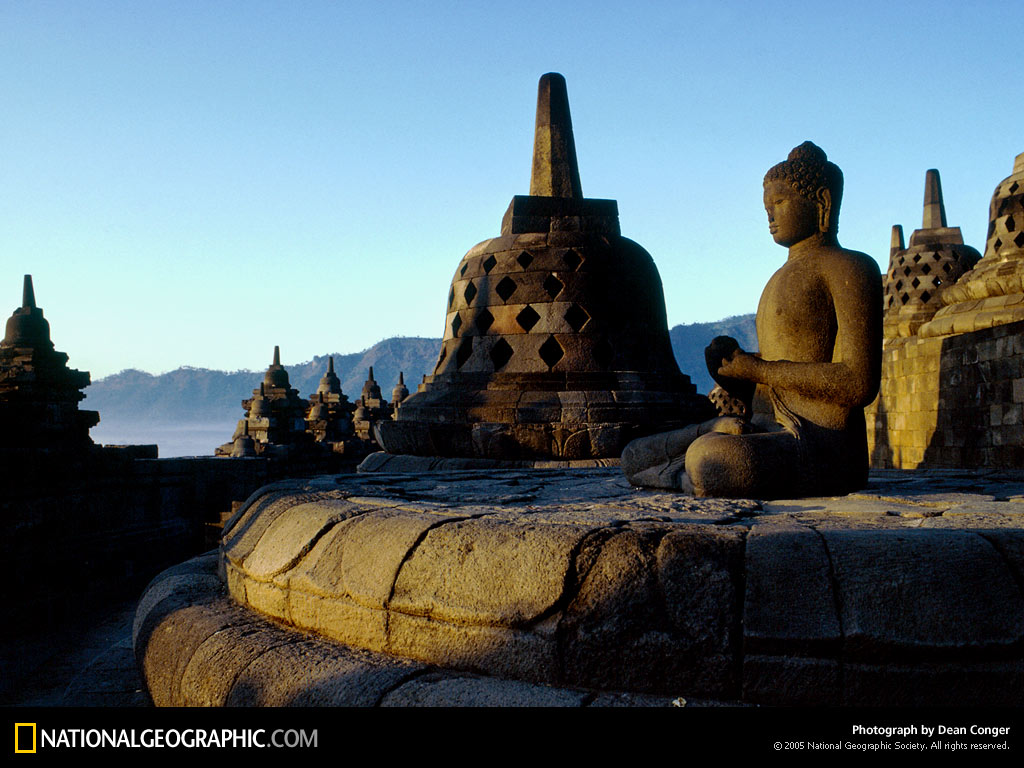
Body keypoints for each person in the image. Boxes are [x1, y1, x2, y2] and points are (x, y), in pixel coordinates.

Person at [621, 141, 881, 498]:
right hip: (762, 430)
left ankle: (691, 474)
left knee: (711, 458)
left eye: (780, 203)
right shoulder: (778, 278)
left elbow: (858, 382)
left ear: (821, 202)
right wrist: (731, 370)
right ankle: (692, 468)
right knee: (633, 456)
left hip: (818, 445)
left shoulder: (851, 268)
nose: (770, 215)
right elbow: (773, 378)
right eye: (767, 207)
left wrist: (757, 370)